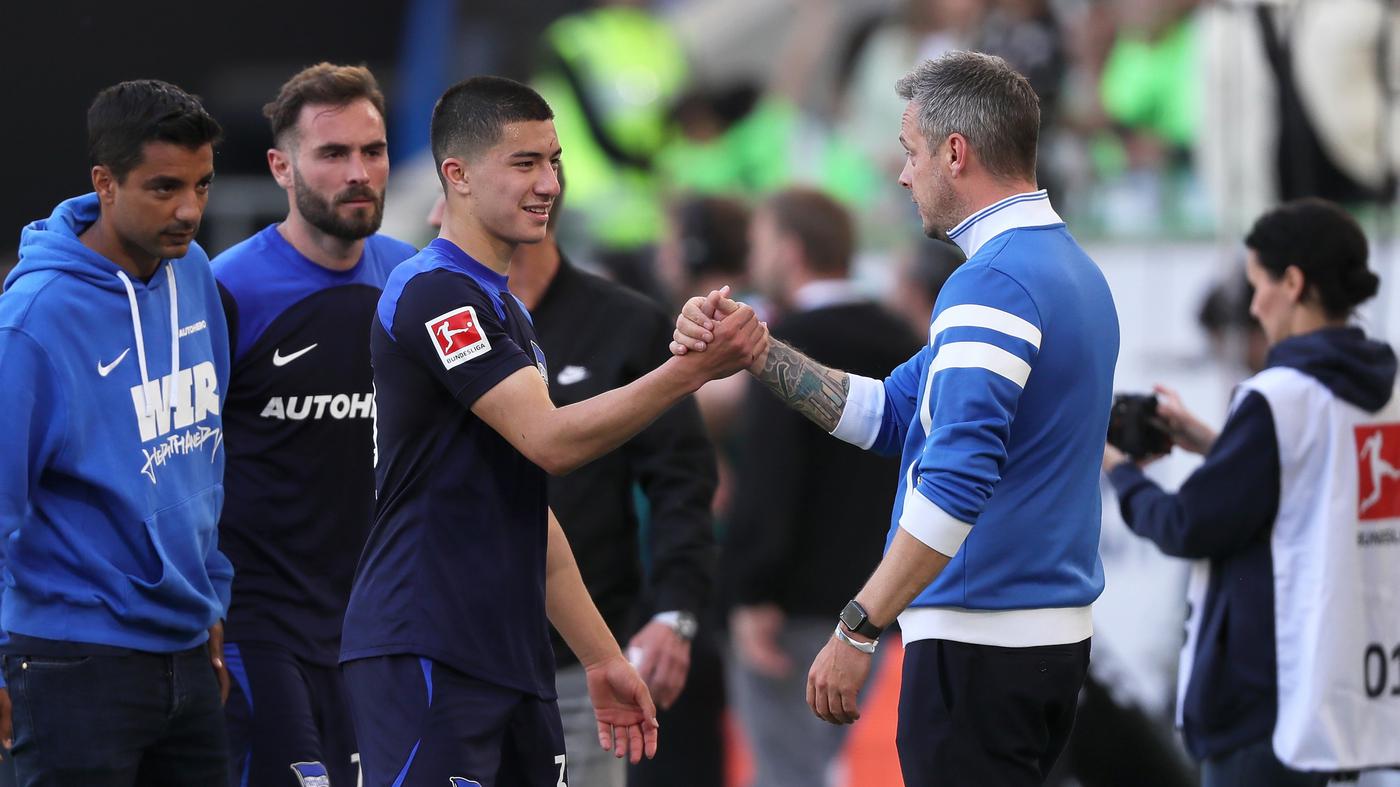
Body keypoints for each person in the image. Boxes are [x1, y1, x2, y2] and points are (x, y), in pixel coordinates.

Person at [675, 51, 1119, 785]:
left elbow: (956, 479)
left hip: (983, 640)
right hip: (1039, 634)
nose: (903, 174)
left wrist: (859, 623)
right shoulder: (1064, 266)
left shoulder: (994, 282)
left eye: (911, 153)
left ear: (956, 151)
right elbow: (887, 413)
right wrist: (757, 350)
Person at [339, 76, 766, 787]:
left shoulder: (507, 311)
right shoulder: (434, 290)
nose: (549, 184)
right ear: (458, 175)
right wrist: (689, 371)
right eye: (525, 162)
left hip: (513, 657)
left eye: (555, 160)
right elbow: (552, 441)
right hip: (426, 645)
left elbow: (529, 513)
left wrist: (602, 657)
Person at [1103, 198, 1400, 786]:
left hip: (1269, 698)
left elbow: (1185, 524)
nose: (1254, 305)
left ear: (1293, 283)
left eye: (1257, 284)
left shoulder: (1279, 397)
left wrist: (1118, 470)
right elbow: (1318, 493)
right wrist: (1217, 445)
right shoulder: (1382, 390)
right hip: (1348, 694)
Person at [0, 80, 232, 785]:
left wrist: (211, 601)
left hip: (190, 649)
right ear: (104, 182)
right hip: (71, 663)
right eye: (164, 187)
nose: (189, 209)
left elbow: (205, 455)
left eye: (202, 184)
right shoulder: (34, 320)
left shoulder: (193, 271)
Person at [211, 63, 417, 787]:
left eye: (374, 150)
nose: (359, 172)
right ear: (281, 166)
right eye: (332, 154)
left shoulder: (413, 281)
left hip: (378, 636)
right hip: (259, 632)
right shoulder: (228, 289)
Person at [497, 177, 718, 787]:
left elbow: (684, 477)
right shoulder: (431, 316)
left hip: (580, 658)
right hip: (452, 652)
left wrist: (675, 610)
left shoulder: (623, 322)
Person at [724, 187, 921, 787]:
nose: (752, 259)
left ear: (790, 250)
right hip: (888, 595)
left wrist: (752, 590)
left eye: (759, 244)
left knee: (790, 773)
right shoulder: (903, 338)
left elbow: (771, 476)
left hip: (795, 603)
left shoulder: (781, 346)